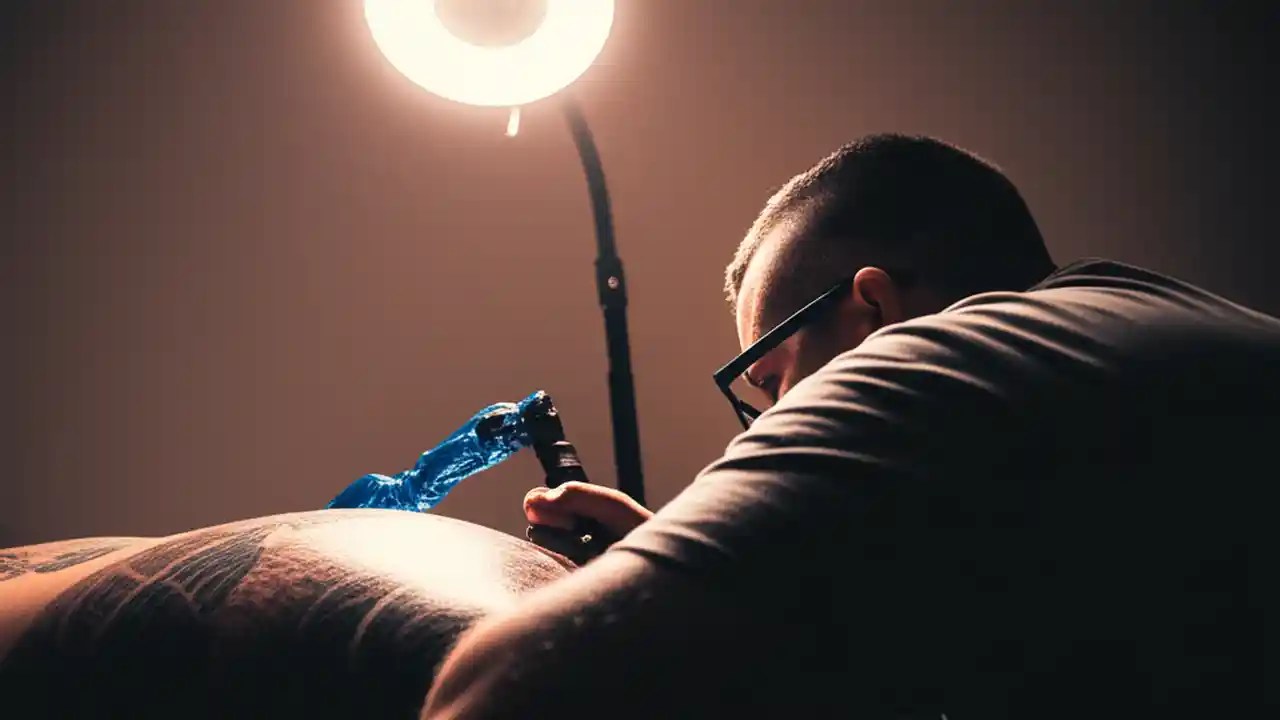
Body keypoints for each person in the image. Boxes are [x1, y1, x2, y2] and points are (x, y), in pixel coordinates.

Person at [423, 134, 1280, 718]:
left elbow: (502, 690)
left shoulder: (935, 359)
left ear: (872, 311)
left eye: (769, 380)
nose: (758, 427)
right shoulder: (1145, 345)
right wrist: (734, 584)